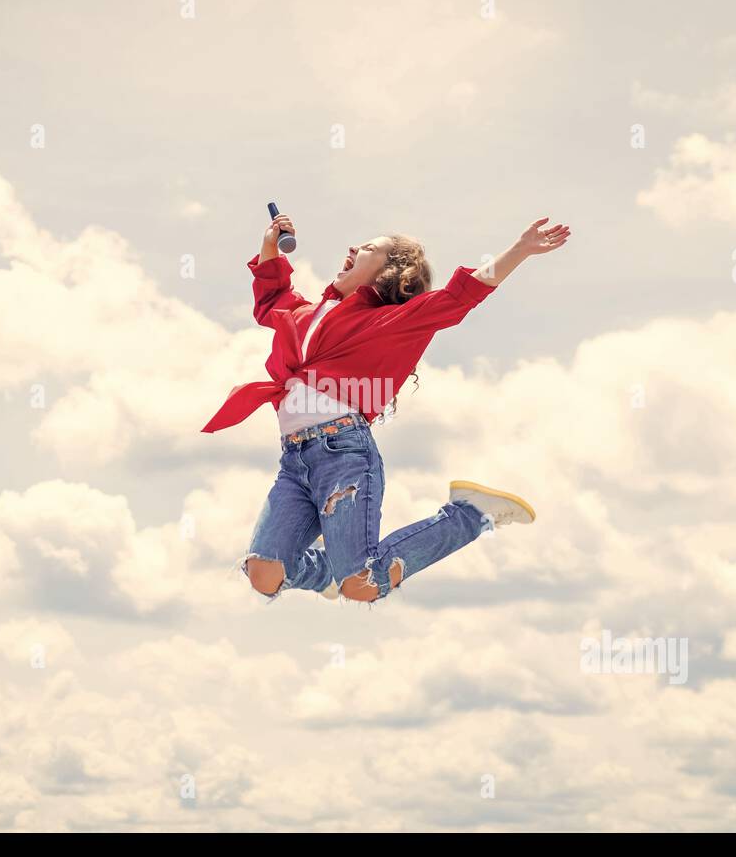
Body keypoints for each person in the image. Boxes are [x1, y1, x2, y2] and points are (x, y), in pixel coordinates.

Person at [202, 210, 571, 603]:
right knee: (263, 574)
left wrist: (521, 249)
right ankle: (330, 570)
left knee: (361, 586)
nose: (352, 248)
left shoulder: (391, 321)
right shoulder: (304, 314)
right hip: (295, 462)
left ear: (389, 272)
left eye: (368, 248)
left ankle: (469, 513)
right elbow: (271, 299)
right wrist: (269, 246)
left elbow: (459, 297)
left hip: (344, 454)